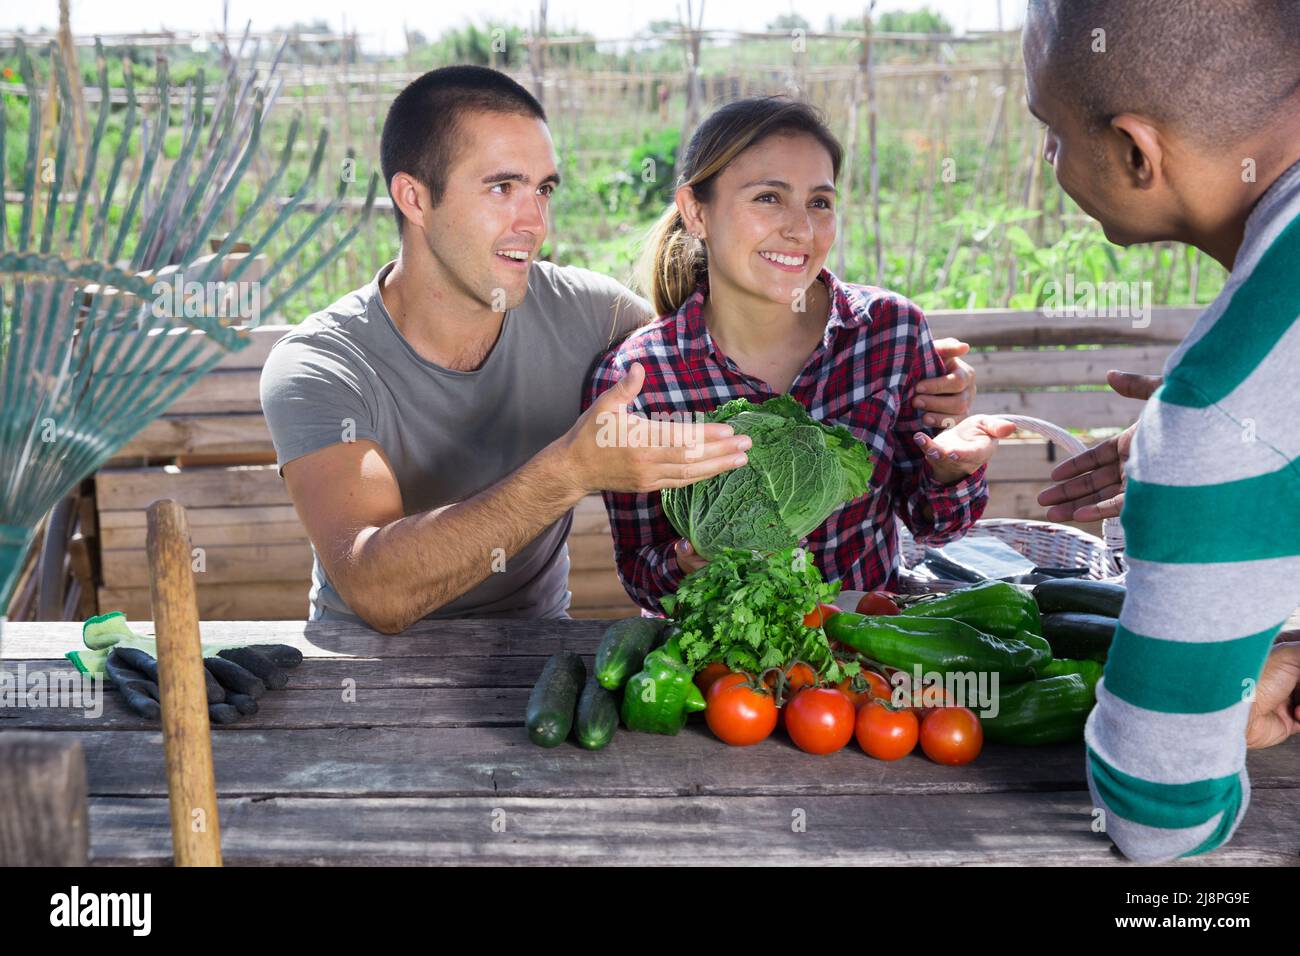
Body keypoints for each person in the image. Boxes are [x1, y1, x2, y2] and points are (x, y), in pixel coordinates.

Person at [259, 66, 979, 632]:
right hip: (366, 666)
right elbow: (376, 589)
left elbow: (709, 336)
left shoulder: (595, 319)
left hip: (533, 647)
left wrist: (932, 390)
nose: (533, 221)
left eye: (543, 188)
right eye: (502, 187)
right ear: (414, 199)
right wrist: (569, 471)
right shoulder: (320, 366)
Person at [1022, 0, 1300, 861]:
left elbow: (1161, 822)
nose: (1047, 160)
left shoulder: (1220, 415)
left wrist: (1208, 456)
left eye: (1053, 132)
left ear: (1138, 152)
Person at [585, 96, 1012, 614]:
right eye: (768, 197)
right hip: (723, 674)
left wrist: (949, 470)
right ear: (696, 212)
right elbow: (641, 574)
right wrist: (686, 563)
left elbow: (937, 526)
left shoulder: (889, 333)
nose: (801, 229)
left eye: (820, 202)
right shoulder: (639, 380)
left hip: (867, 656)